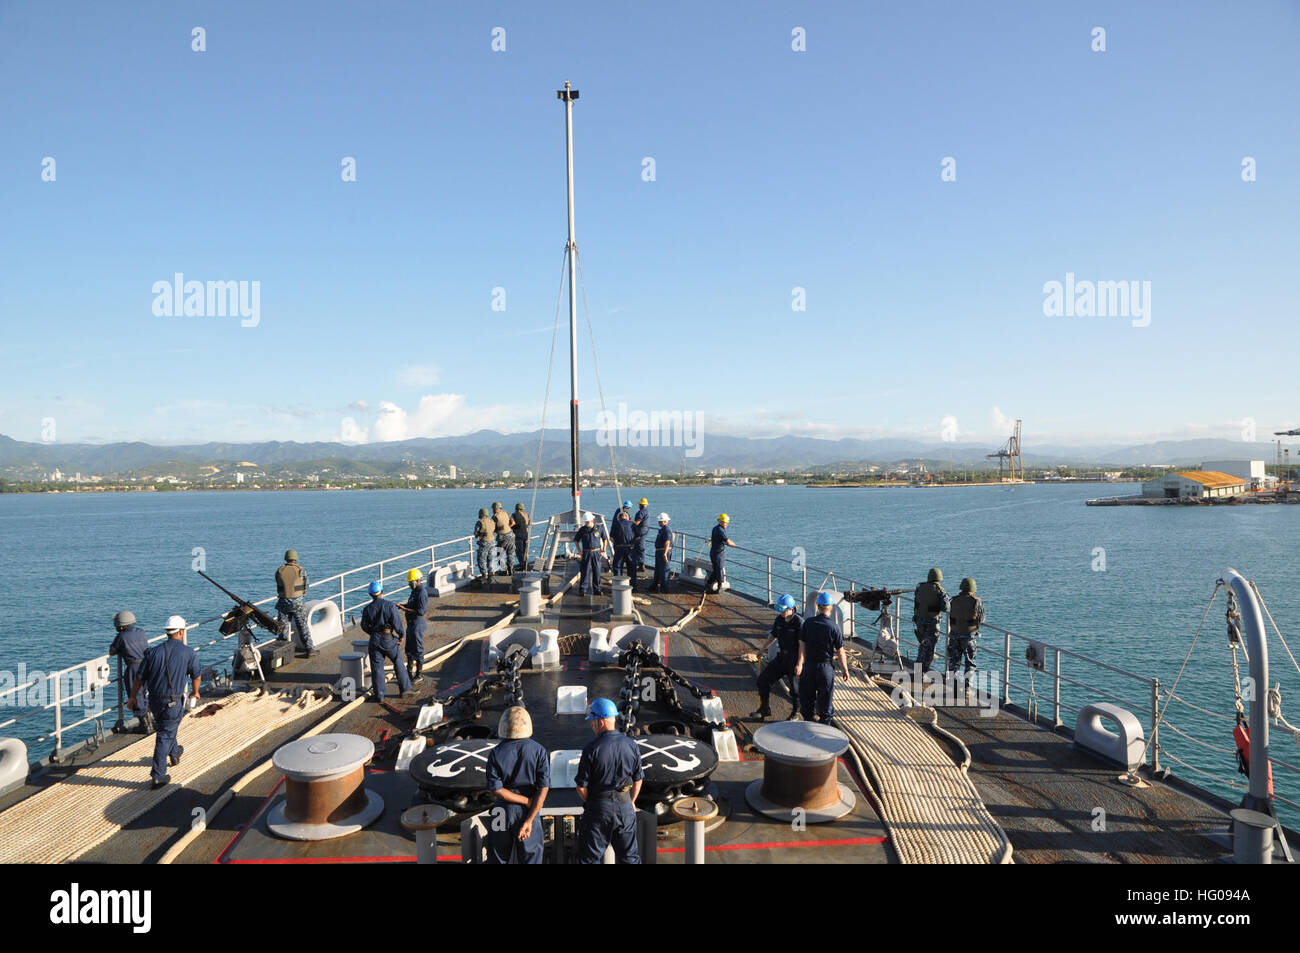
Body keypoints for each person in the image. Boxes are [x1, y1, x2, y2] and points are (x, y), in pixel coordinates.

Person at [129, 615, 201, 789]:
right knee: (165, 734)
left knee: (167, 727)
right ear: (181, 632)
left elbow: (139, 678)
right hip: (173, 701)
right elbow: (196, 675)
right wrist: (195, 692)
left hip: (154, 701)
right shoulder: (189, 652)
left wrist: (132, 697)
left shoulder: (153, 652)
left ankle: (175, 753)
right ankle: (158, 775)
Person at [575, 697, 644, 864]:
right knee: (630, 858)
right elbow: (638, 779)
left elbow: (581, 787)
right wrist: (631, 801)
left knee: (590, 859)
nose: (591, 725)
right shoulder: (631, 745)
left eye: (592, 721)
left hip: (599, 808)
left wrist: (594, 803)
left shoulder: (591, 749)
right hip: (625, 807)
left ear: (601, 722)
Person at [484, 706, 551, 864]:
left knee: (498, 858)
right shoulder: (539, 751)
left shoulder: (495, 753)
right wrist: (528, 816)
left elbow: (497, 789)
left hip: (501, 811)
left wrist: (524, 801)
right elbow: (543, 788)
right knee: (531, 859)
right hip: (529, 812)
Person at [796, 591, 851, 725]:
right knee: (825, 703)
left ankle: (808, 724)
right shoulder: (834, 627)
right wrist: (845, 669)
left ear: (818, 607)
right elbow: (840, 651)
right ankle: (824, 728)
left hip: (808, 667)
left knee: (807, 702)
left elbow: (802, 645)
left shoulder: (807, 623)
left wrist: (800, 663)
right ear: (831, 607)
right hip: (825, 668)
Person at [361, 580, 417, 701]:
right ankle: (405, 690)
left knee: (377, 668)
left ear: (370, 594)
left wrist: (372, 633)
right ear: (381, 591)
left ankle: (379, 695)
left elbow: (364, 625)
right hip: (388, 639)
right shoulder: (389, 606)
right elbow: (397, 624)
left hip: (374, 640)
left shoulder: (367, 609)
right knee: (398, 662)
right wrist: (401, 636)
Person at [751, 594, 802, 720]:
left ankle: (795, 713)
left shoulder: (799, 623)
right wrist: (762, 649)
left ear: (790, 609)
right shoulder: (779, 619)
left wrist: (800, 663)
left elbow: (803, 645)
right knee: (763, 681)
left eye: (783, 610)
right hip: (782, 657)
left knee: (795, 690)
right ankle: (764, 709)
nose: (781, 613)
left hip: (794, 659)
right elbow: (773, 635)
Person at [109, 610, 151, 733]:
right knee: (144, 693)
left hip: (134, 668)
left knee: (135, 695)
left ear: (121, 625)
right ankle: (150, 720)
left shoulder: (121, 637)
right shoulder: (141, 632)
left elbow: (112, 651)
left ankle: (145, 725)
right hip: (147, 664)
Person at [275, 549, 315, 657]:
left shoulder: (280, 571)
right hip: (297, 604)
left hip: (283, 603)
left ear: (286, 558)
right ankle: (309, 649)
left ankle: (281, 653)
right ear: (295, 559)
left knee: (283, 628)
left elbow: (279, 588)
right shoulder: (301, 570)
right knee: (302, 627)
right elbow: (306, 586)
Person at [947, 577, 985, 691]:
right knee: (970, 664)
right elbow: (982, 619)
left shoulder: (953, 600)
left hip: (954, 636)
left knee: (954, 662)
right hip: (969, 637)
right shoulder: (976, 601)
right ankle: (967, 688)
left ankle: (954, 687)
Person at [912, 568, 950, 675]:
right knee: (930, 649)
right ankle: (921, 672)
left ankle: (918, 670)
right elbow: (945, 607)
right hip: (932, 623)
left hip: (919, 620)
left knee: (923, 646)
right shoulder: (939, 590)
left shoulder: (920, 587)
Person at [399, 568, 428, 679]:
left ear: (417, 581)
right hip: (411, 624)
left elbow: (420, 611)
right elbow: (411, 605)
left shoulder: (422, 593)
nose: (409, 585)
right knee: (409, 649)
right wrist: (403, 605)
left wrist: (404, 608)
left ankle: (419, 675)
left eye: (411, 582)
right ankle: (409, 671)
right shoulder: (414, 591)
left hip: (417, 624)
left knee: (418, 649)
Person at [574, 512, 608, 597]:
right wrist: (580, 552)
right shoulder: (582, 529)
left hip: (596, 552)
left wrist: (603, 551)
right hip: (586, 552)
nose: (586, 523)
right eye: (585, 522)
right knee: (585, 571)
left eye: (587, 521)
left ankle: (597, 589)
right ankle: (582, 589)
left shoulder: (599, 528)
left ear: (592, 520)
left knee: (597, 571)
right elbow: (576, 540)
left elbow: (605, 539)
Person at [706, 513, 735, 593]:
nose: (726, 524)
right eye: (725, 522)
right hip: (718, 553)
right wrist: (734, 545)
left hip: (713, 552)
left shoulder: (715, 528)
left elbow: (718, 539)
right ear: (721, 521)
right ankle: (719, 587)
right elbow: (728, 542)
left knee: (716, 569)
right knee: (719, 569)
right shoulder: (721, 530)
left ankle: (708, 584)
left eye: (727, 523)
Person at [609, 510, 637, 585]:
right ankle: (633, 586)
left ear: (619, 518)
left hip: (619, 548)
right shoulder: (632, 524)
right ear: (627, 517)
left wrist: (617, 542)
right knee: (631, 567)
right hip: (630, 548)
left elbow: (611, 538)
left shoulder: (615, 524)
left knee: (617, 567)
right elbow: (638, 537)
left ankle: (618, 585)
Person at [649, 513, 673, 593]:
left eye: (660, 521)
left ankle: (665, 588)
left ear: (665, 521)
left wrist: (665, 553)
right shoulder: (662, 529)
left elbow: (667, 542)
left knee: (665, 570)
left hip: (663, 551)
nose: (659, 522)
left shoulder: (667, 530)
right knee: (658, 569)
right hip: (659, 551)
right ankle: (655, 585)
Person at [492, 502, 516, 576]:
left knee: (500, 555)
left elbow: (492, 528)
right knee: (511, 554)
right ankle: (511, 570)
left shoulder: (494, 517)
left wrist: (498, 530)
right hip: (511, 535)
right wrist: (507, 527)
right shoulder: (506, 513)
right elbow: (513, 523)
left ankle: (504, 570)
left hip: (502, 537)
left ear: (494, 508)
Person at [474, 508, 496, 585]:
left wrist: (478, 535)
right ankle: (490, 573)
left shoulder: (480, 522)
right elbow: (493, 530)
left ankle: (484, 575)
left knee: (481, 559)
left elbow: (476, 533)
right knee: (490, 558)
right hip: (492, 542)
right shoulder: (492, 521)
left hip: (484, 542)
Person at [631, 497, 650, 588]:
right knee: (641, 548)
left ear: (640, 505)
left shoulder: (641, 512)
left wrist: (629, 521)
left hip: (640, 532)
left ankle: (640, 564)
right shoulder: (647, 512)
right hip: (644, 532)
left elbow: (637, 523)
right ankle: (640, 563)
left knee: (639, 548)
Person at [513, 503, 531, 571]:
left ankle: (522, 564)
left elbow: (512, 524)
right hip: (526, 533)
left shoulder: (514, 515)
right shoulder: (526, 514)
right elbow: (529, 522)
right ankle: (525, 563)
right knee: (525, 550)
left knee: (519, 551)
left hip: (518, 534)